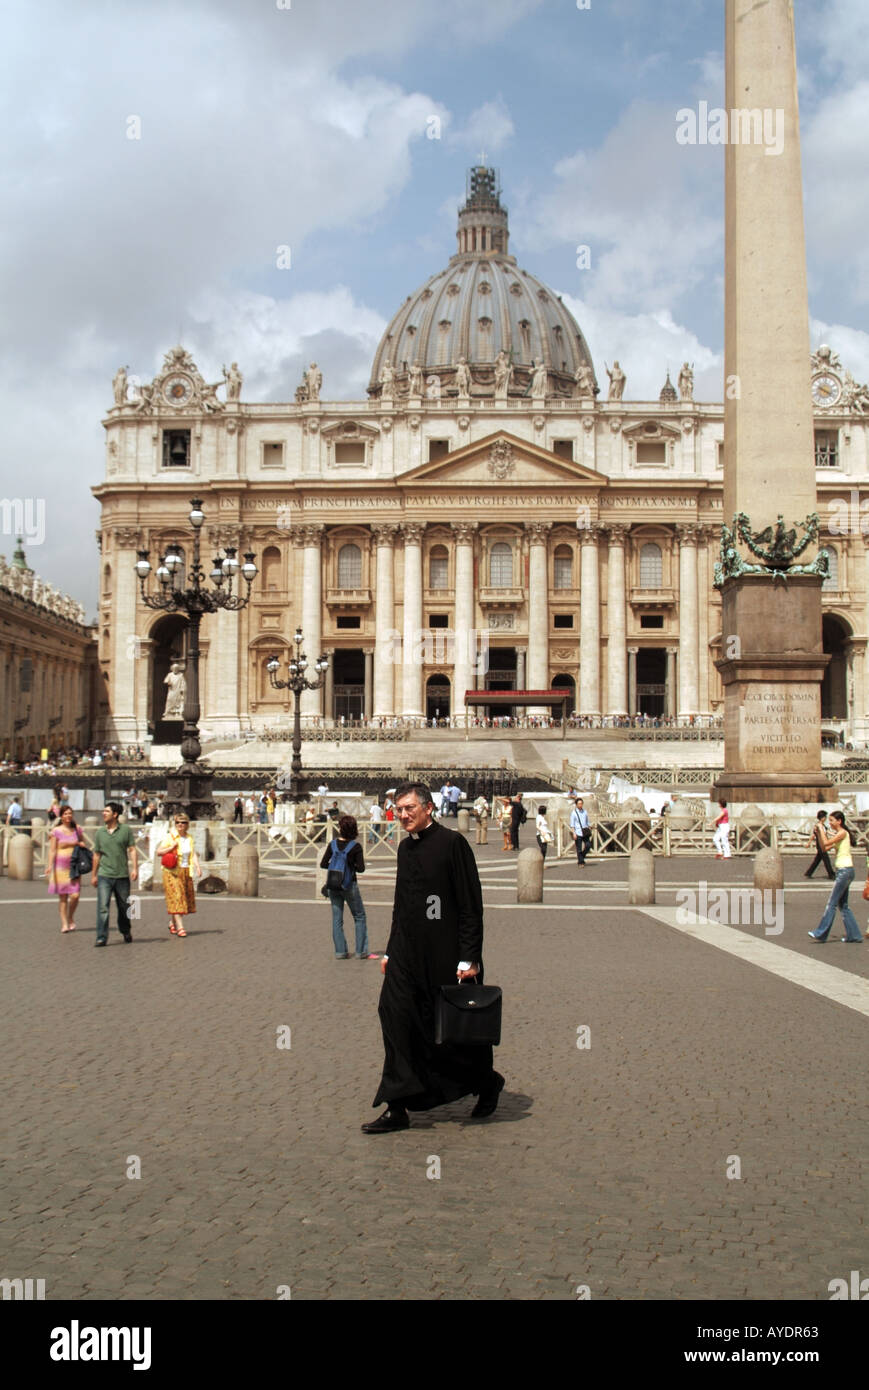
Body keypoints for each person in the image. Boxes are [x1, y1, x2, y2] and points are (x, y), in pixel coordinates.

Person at [362, 783, 504, 1133]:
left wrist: (469, 958)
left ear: (428, 808)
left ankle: (486, 1082)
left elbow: (471, 906)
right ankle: (397, 1105)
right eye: (399, 809)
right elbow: (402, 906)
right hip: (407, 954)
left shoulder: (453, 844)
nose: (403, 815)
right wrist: (391, 950)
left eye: (410, 808)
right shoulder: (405, 850)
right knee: (394, 1017)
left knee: (448, 1032)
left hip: (445, 955)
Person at [320, 814, 372, 960]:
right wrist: (348, 866)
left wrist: (336, 867)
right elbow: (361, 868)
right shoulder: (355, 847)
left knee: (337, 918)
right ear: (354, 829)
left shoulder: (333, 844)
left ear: (340, 829)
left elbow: (323, 864)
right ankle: (361, 952)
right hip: (349, 885)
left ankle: (340, 952)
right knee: (359, 916)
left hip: (333, 885)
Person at [808, 811, 863, 943]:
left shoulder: (842, 833)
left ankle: (821, 933)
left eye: (832, 820)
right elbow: (824, 848)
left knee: (831, 904)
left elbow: (826, 844)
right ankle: (854, 935)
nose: (830, 822)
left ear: (839, 821)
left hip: (845, 871)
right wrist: (820, 834)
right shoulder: (840, 834)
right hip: (845, 871)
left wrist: (821, 830)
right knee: (843, 905)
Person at [91, 802, 138, 946]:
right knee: (103, 907)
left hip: (122, 875)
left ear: (115, 814)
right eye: (103, 811)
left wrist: (135, 868)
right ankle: (101, 937)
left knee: (124, 906)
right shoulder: (100, 833)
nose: (103, 813)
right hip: (105, 875)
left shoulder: (125, 830)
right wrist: (94, 875)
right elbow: (97, 855)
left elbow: (132, 849)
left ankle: (125, 930)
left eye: (107, 811)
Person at [157, 812, 202, 937]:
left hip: (186, 870)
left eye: (183, 822)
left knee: (183, 899)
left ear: (187, 824)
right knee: (177, 897)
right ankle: (181, 927)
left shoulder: (190, 838)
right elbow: (159, 852)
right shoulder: (170, 837)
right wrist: (171, 847)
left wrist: (198, 866)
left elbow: (192, 854)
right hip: (172, 871)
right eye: (177, 822)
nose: (180, 825)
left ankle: (172, 923)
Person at [46, 804, 85, 933]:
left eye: (70, 813)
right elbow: (52, 850)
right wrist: (49, 866)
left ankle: (70, 917)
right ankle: (64, 923)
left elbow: (83, 844)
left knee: (75, 895)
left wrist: (79, 843)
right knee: (63, 897)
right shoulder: (56, 831)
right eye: (65, 814)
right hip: (60, 867)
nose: (68, 816)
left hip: (74, 866)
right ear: (61, 816)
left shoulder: (77, 829)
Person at [804, 810, 835, 880]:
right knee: (826, 860)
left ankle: (809, 872)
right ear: (822, 817)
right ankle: (831, 874)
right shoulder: (817, 826)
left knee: (817, 860)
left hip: (823, 843)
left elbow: (828, 832)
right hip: (820, 844)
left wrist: (835, 835)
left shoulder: (823, 825)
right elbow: (813, 835)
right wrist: (808, 843)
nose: (826, 818)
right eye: (825, 817)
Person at [570, 797, 591, 866]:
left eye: (581, 803)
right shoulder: (573, 813)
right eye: (579, 804)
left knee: (588, 845)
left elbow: (587, 821)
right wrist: (574, 833)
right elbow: (572, 824)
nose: (580, 805)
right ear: (576, 804)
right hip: (578, 832)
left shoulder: (585, 811)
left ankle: (582, 856)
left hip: (585, 831)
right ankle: (580, 862)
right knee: (578, 848)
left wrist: (589, 826)